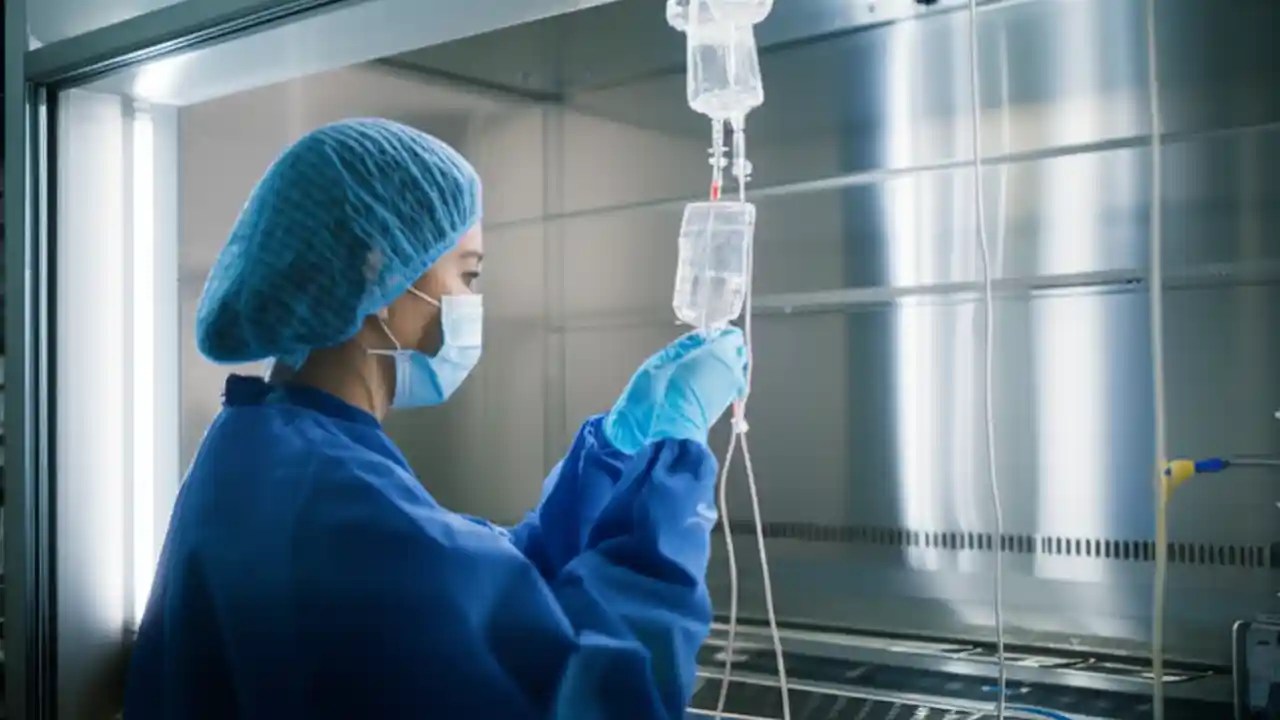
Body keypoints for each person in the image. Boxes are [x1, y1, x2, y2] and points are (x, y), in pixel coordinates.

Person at [124, 118, 748, 719]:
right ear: (378, 268)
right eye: (467, 275)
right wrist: (668, 473)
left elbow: (473, 596)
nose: (474, 304)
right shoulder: (328, 507)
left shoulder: (268, 449)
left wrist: (613, 455)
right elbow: (599, 700)